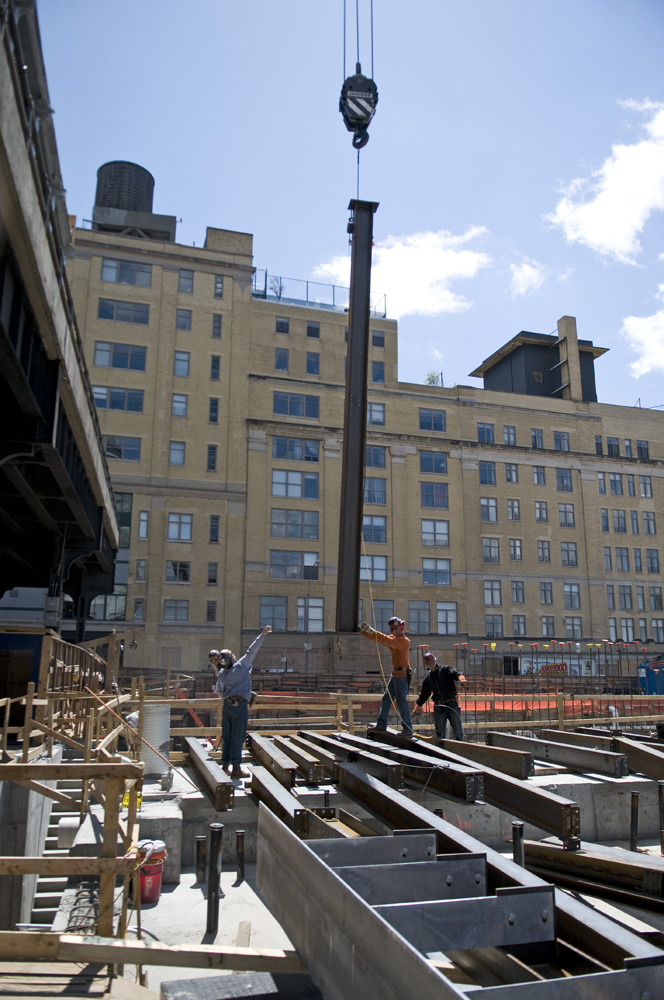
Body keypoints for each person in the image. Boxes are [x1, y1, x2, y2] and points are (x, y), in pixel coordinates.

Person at [213, 626, 271, 778]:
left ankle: (225, 765)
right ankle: (236, 768)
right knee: (238, 737)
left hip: (227, 706)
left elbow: (219, 691)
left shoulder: (221, 673)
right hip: (239, 707)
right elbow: (251, 651)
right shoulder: (241, 667)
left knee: (227, 737)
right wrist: (262, 635)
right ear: (232, 658)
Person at [360, 616, 413, 735]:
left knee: (401, 702)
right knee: (386, 699)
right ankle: (381, 725)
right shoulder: (394, 640)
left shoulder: (403, 641)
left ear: (400, 628)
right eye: (391, 630)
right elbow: (380, 639)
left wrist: (372, 630)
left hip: (402, 676)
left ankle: (407, 728)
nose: (392, 631)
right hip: (396, 675)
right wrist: (364, 632)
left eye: (394, 629)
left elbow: (385, 639)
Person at [413, 653, 466, 740]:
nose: (431, 665)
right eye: (429, 664)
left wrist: (461, 678)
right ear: (427, 665)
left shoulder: (445, 670)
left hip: (451, 703)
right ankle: (441, 749)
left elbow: (455, 673)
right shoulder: (428, 678)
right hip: (439, 706)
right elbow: (424, 694)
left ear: (435, 661)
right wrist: (419, 705)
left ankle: (460, 747)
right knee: (440, 733)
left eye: (432, 662)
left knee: (458, 730)